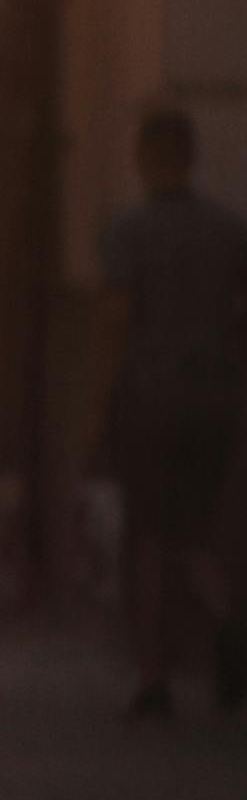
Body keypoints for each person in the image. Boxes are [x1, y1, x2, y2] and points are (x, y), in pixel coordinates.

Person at [95, 102, 247, 721]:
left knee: (151, 538)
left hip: (150, 400)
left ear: (144, 158)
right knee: (203, 531)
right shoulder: (231, 231)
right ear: (193, 157)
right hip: (215, 400)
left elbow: (115, 322)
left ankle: (154, 675)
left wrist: (100, 405)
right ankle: (233, 626)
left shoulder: (128, 232)